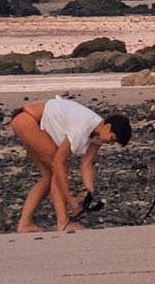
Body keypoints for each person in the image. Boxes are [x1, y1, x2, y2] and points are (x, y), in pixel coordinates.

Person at [9, 95, 131, 232]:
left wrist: (89, 191)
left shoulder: (98, 133)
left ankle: (25, 224)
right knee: (60, 168)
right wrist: (69, 199)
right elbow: (59, 162)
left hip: (27, 120)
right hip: (27, 119)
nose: (110, 142)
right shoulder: (83, 127)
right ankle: (63, 222)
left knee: (48, 176)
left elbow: (87, 163)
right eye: (112, 138)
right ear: (107, 127)